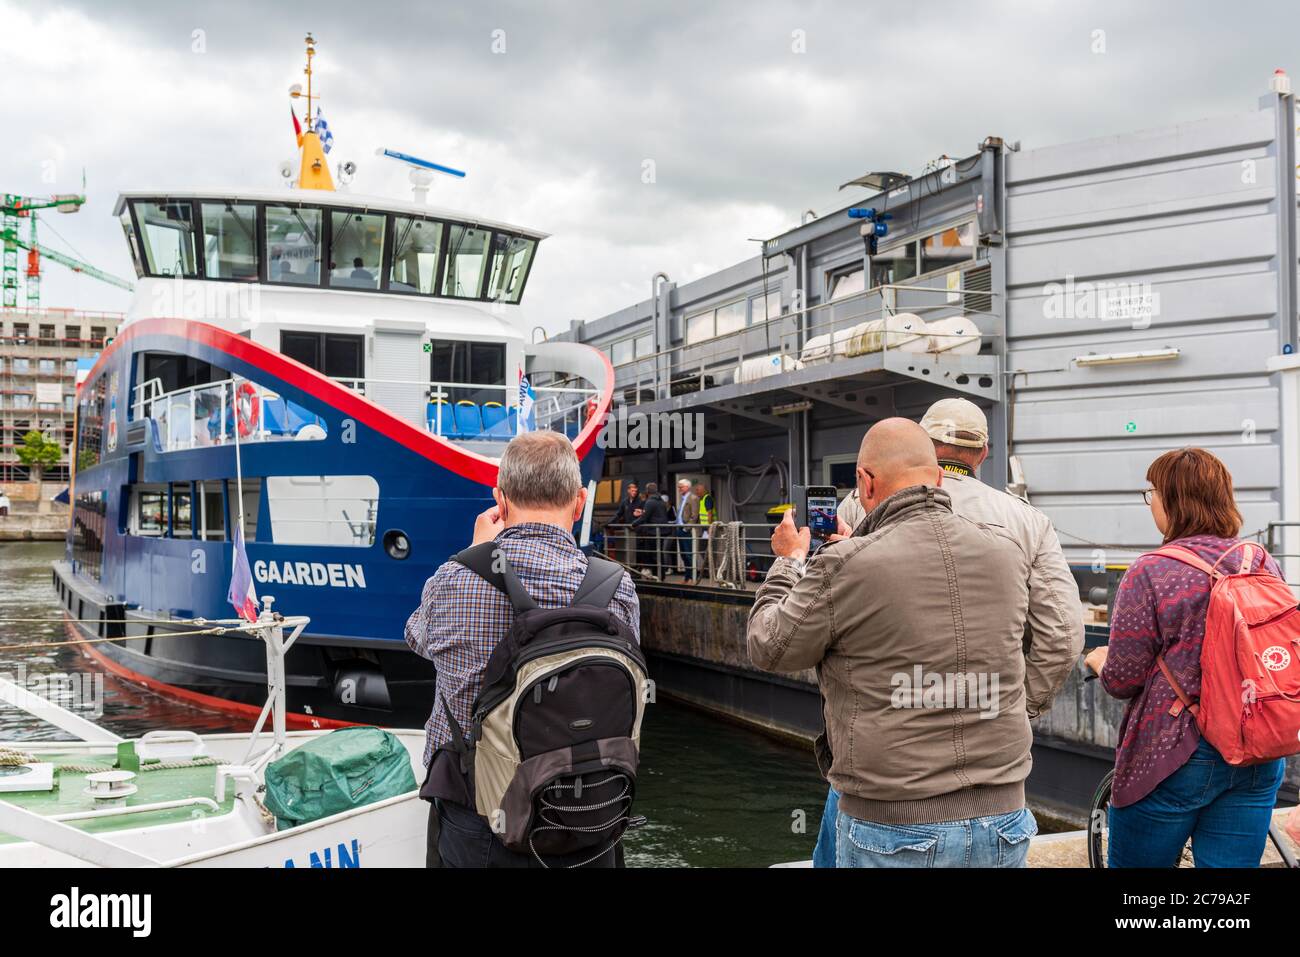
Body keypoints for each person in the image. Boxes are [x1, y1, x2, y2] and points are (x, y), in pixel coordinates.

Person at [747, 417, 1057, 868]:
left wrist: (790, 562)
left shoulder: (846, 565)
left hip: (895, 824)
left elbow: (768, 646)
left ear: (864, 482)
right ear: (936, 478)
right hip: (1005, 817)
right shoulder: (1007, 551)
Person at [405, 431, 640, 867]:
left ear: (501, 500)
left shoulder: (455, 579)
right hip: (589, 819)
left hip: (482, 823)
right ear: (579, 502)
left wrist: (476, 552)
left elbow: (417, 637)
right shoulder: (616, 586)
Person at [1083, 448, 1287, 867]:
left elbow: (1123, 679)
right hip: (1257, 749)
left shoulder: (1150, 571)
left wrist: (1098, 660)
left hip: (1176, 753)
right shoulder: (1260, 561)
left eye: (1152, 492)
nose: (1151, 501)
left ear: (1172, 500)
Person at [631, 481, 670, 577]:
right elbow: (657, 513)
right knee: (658, 552)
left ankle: (657, 574)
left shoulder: (650, 501)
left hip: (653, 531)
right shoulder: (660, 501)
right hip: (662, 530)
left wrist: (634, 523)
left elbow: (645, 517)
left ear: (647, 491)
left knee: (652, 553)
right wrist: (643, 512)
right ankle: (661, 574)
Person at [606, 481, 642, 565]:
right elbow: (618, 514)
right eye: (632, 491)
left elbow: (644, 515)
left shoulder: (640, 502)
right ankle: (628, 566)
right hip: (627, 529)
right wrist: (609, 522)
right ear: (628, 491)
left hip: (637, 530)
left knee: (636, 550)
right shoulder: (624, 502)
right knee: (627, 549)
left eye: (635, 491)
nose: (634, 493)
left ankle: (635, 567)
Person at [674, 478, 699, 583]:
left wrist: (686, 528)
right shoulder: (683, 498)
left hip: (686, 530)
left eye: (681, 486)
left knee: (688, 554)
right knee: (684, 554)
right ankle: (687, 577)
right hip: (680, 529)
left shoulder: (693, 498)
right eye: (678, 486)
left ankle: (693, 577)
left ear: (687, 487)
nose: (679, 488)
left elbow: (694, 516)